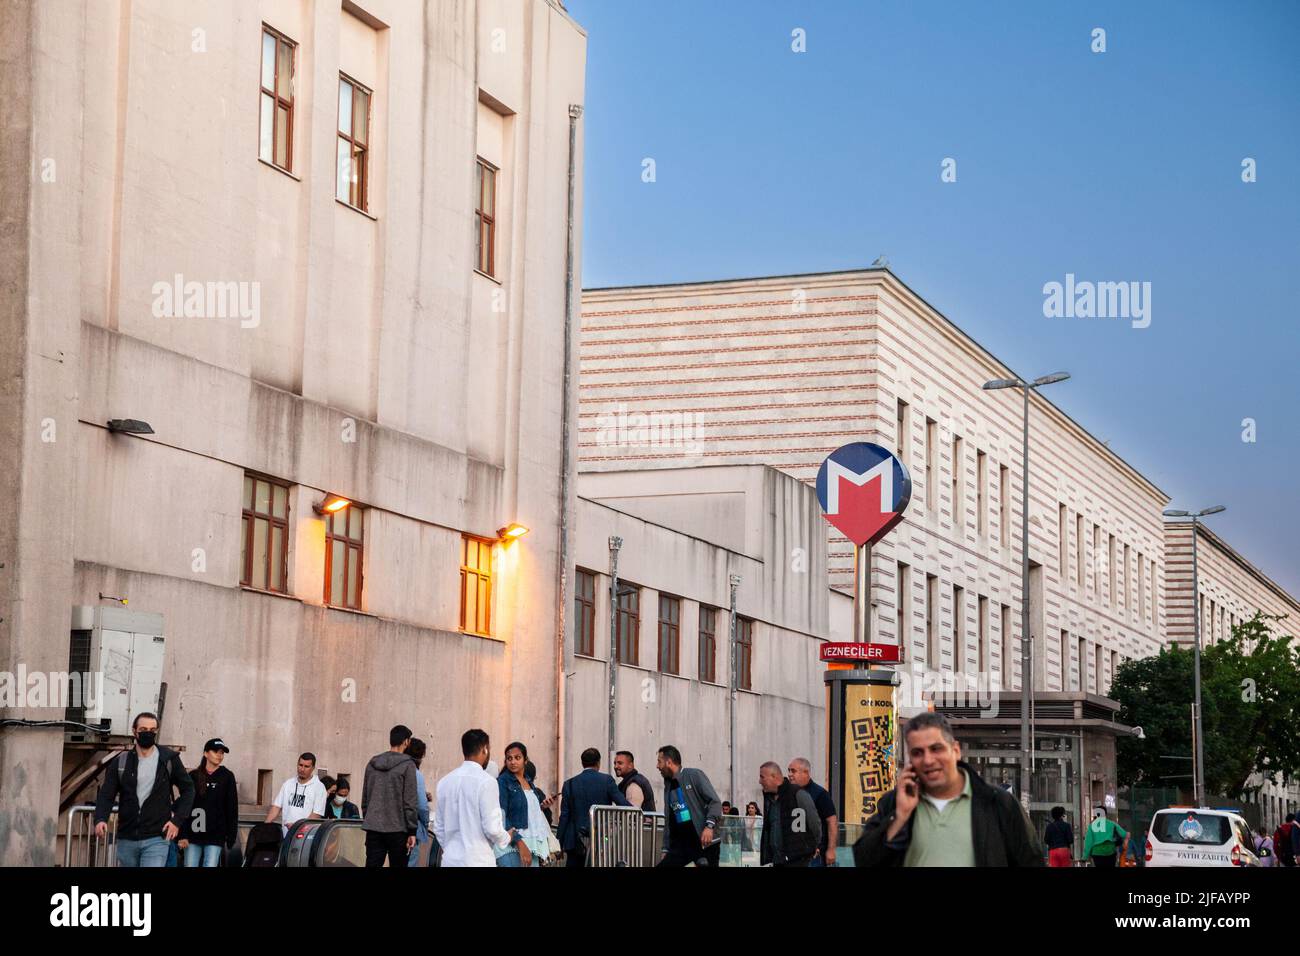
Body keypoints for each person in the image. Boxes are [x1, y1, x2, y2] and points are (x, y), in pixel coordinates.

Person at [853, 711, 1043, 867]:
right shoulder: (894, 804)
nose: (928, 760)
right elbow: (865, 860)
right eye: (918, 753)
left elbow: (1030, 861)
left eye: (936, 749)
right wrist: (900, 816)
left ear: (956, 750)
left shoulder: (997, 803)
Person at [93, 712, 195, 867]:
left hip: (157, 837)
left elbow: (188, 790)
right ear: (134, 731)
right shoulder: (121, 762)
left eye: (152, 730)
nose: (148, 733)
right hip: (127, 837)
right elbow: (107, 794)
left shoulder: (168, 759)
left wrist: (177, 821)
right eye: (143, 729)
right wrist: (100, 819)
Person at [434, 728, 526, 867]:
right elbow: (492, 828)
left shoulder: (444, 782)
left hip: (450, 860)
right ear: (485, 749)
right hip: (478, 860)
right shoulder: (487, 782)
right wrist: (507, 837)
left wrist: (452, 849)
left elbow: (439, 827)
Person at [556, 748, 631, 868]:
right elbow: (623, 803)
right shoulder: (607, 780)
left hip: (574, 841)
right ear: (598, 763)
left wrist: (558, 843)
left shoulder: (569, 784)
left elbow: (564, 816)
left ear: (582, 763)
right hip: (599, 841)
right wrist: (640, 814)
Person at [361, 724, 420, 868]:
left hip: (373, 827)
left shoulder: (372, 763)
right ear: (406, 741)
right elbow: (410, 801)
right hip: (398, 829)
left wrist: (369, 817)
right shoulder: (408, 765)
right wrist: (412, 831)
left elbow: (365, 798)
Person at [656, 744, 723, 868]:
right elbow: (669, 820)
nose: (657, 766)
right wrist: (665, 848)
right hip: (682, 845)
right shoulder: (668, 785)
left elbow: (715, 802)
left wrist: (709, 826)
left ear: (669, 762)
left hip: (705, 842)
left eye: (659, 762)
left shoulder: (694, 775)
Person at [178, 737, 239, 867]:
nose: (219, 755)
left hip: (216, 835)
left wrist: (231, 835)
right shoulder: (193, 776)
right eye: (216, 751)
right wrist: (182, 834)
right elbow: (184, 805)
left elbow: (232, 807)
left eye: (222, 752)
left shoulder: (227, 776)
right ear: (206, 753)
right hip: (193, 834)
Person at [497, 741, 557, 867]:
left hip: (532, 843)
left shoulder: (529, 781)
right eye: (509, 758)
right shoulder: (503, 781)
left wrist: (542, 807)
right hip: (512, 843)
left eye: (517, 758)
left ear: (525, 760)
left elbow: (524, 811)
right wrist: (518, 841)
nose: (513, 762)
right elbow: (501, 814)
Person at [759, 762, 821, 867]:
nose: (760, 781)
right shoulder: (769, 798)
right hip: (777, 860)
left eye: (762, 777)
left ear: (773, 776)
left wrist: (812, 847)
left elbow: (814, 824)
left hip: (797, 861)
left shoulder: (798, 794)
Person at [788, 757, 839, 866]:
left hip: (815, 855)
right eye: (789, 770)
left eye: (793, 771)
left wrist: (831, 850)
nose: (789, 774)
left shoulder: (820, 794)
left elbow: (832, 821)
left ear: (806, 772)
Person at [266, 752, 327, 834]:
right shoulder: (288, 783)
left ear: (313, 768)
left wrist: (297, 827)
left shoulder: (319, 787)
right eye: (300, 765)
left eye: (306, 766)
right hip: (286, 835)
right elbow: (276, 807)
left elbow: (316, 814)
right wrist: (265, 825)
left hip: (305, 837)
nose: (302, 769)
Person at [406, 738, 431, 866]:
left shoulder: (396, 771)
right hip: (412, 829)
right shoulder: (416, 774)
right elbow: (422, 807)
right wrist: (425, 824)